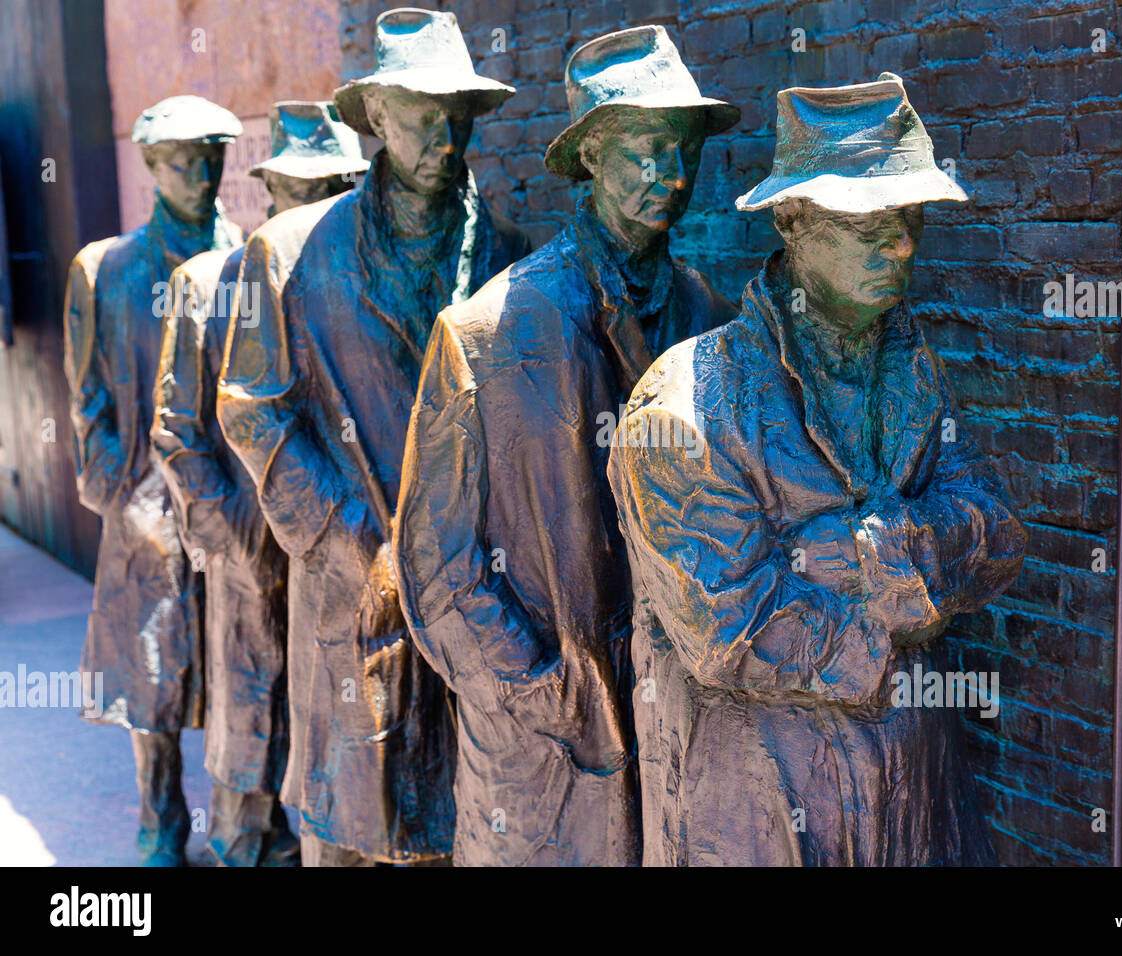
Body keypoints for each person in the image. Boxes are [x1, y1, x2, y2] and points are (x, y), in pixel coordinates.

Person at [607, 75, 1027, 866]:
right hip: (760, 815)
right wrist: (909, 612)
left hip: (915, 803)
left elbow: (998, 531)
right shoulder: (685, 408)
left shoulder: (913, 372)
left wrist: (873, 550)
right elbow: (732, 630)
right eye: (869, 224)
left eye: (909, 218)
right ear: (793, 222)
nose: (901, 245)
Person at [393, 25, 738, 865]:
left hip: (682, 732)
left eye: (683, 148)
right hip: (539, 750)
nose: (673, 173)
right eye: (646, 149)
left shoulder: (714, 327)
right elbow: (437, 564)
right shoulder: (484, 336)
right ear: (588, 156)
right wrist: (545, 689)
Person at [217, 9, 528, 866]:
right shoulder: (287, 255)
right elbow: (252, 409)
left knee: (459, 821)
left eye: (457, 111)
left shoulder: (508, 257)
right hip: (347, 588)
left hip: (471, 593)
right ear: (374, 119)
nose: (444, 132)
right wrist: (361, 539)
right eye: (421, 112)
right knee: (348, 826)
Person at [150, 100, 368, 866]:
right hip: (250, 564)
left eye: (336, 185)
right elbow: (177, 434)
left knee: (333, 765)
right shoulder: (209, 284)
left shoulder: (354, 287)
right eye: (302, 187)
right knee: (248, 758)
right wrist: (237, 545)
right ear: (271, 188)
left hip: (338, 566)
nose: (317, 204)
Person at [63, 95, 243, 866]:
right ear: (148, 167)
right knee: (152, 677)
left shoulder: (250, 258)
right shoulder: (105, 270)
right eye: (181, 162)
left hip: (230, 506)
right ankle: (160, 820)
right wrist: (121, 496)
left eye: (212, 159)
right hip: (141, 510)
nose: (200, 176)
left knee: (244, 668)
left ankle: (242, 825)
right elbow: (87, 402)